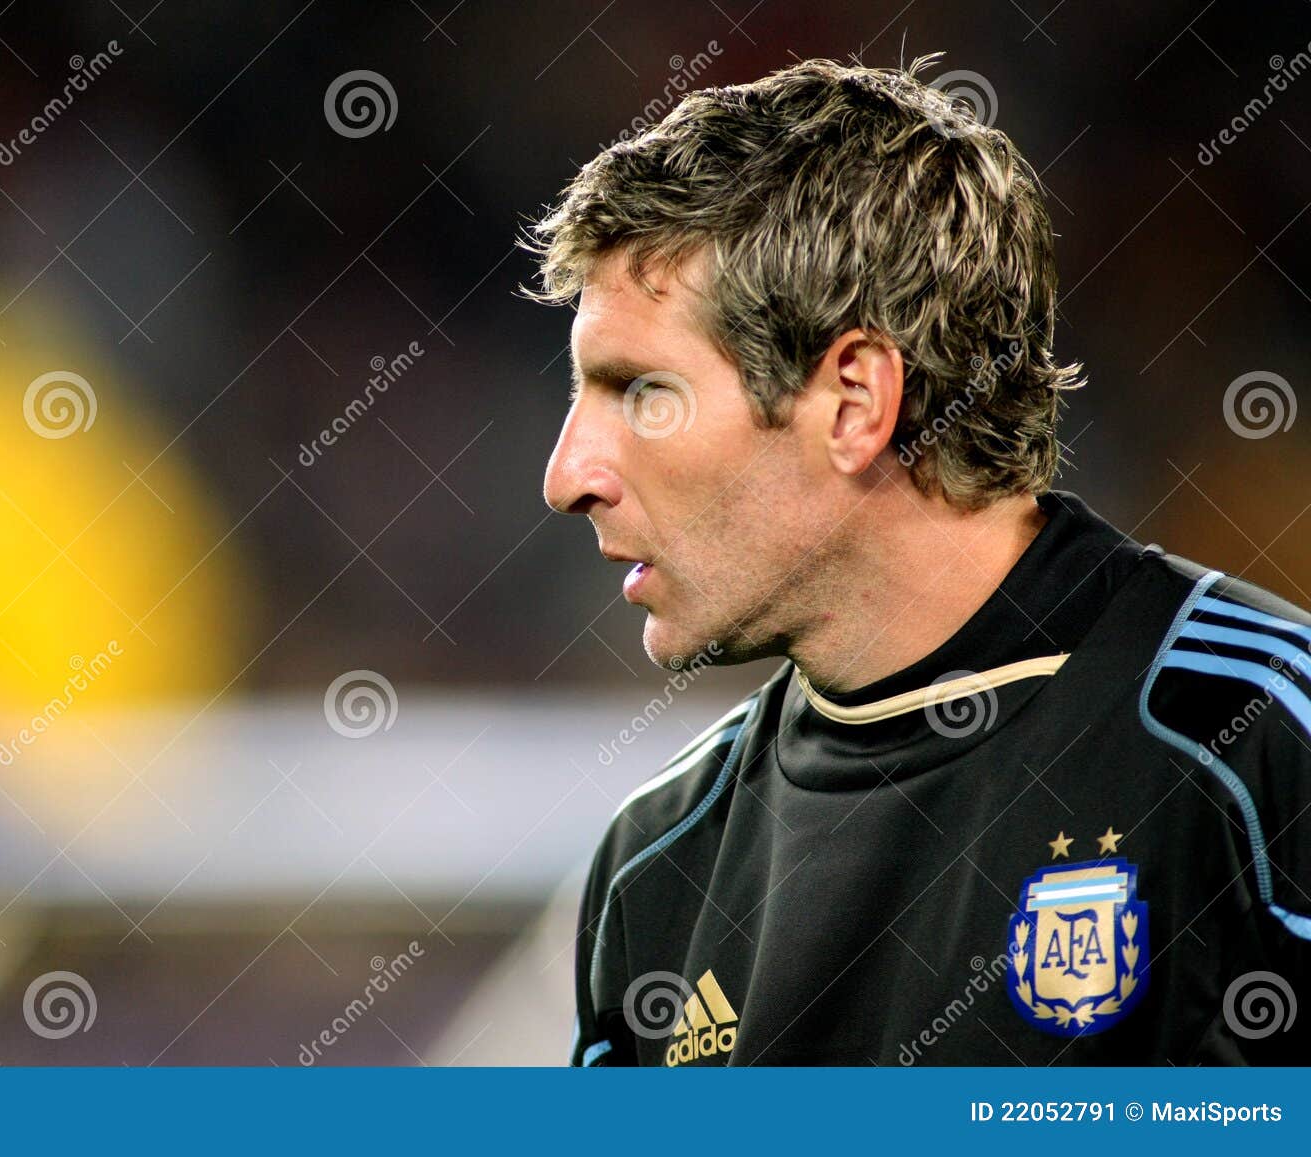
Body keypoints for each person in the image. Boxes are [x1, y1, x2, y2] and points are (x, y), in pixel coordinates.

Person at [524, 56, 1309, 1065]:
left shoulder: (1256, 749)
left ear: (854, 400)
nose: (566, 475)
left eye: (639, 392)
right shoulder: (660, 865)